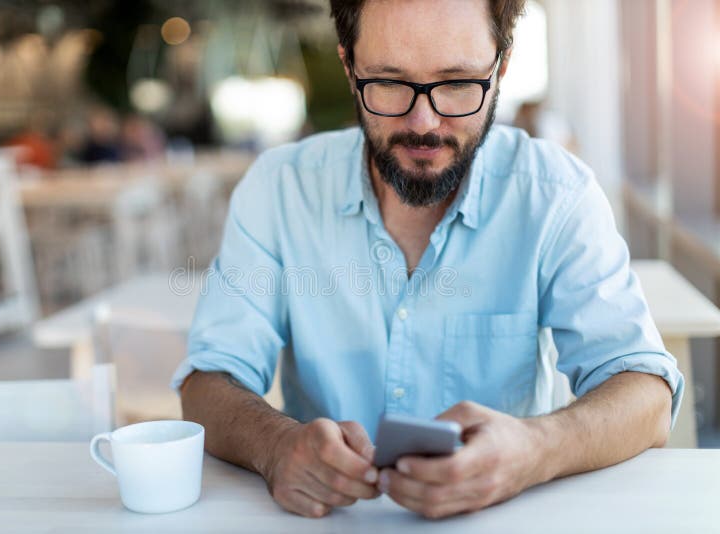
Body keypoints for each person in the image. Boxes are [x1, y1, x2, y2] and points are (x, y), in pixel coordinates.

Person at [172, 0, 683, 520]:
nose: (423, 122)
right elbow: (208, 381)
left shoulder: (555, 195)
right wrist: (277, 445)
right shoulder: (278, 189)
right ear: (350, 68)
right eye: (389, 82)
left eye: (458, 82)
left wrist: (536, 450)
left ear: (501, 67)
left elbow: (646, 394)